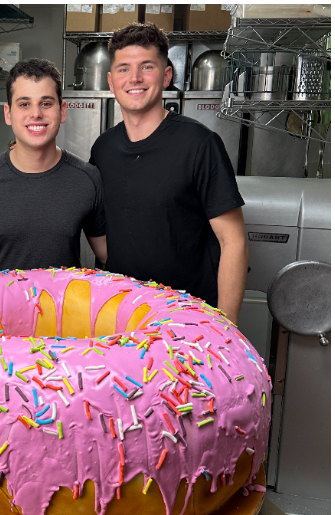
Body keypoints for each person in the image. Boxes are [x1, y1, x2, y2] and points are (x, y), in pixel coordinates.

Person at [90, 23, 248, 323]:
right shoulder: (103, 148)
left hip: (189, 319)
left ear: (166, 76)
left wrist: (226, 326)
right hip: (122, 316)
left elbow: (233, 240)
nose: (134, 78)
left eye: (146, 67)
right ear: (111, 82)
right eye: (123, 69)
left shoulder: (200, 144)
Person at [0, 58, 107, 272]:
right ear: (8, 113)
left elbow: (107, 253)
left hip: (62, 304)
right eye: (24, 104)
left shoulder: (87, 179)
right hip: (0, 305)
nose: (36, 114)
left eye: (46, 103)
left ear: (63, 111)